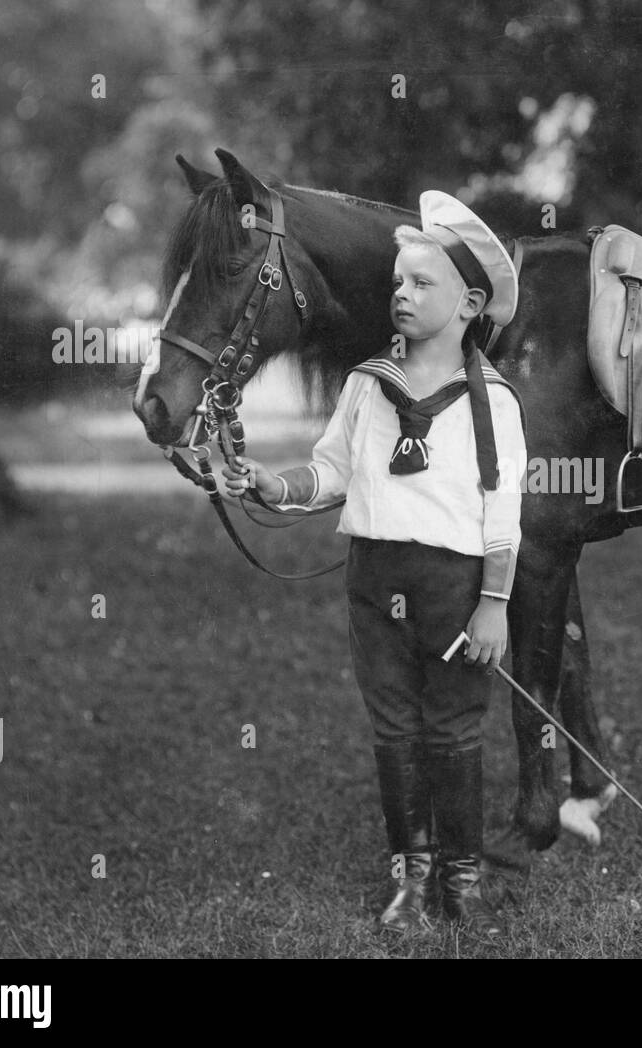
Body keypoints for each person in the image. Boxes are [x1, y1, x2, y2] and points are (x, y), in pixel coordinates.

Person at [222, 191, 526, 939]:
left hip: (457, 586)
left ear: (470, 303)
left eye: (423, 284)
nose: (402, 294)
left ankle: (462, 876)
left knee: (453, 730)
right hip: (375, 580)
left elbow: (503, 515)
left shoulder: (495, 405)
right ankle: (411, 877)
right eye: (397, 281)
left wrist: (494, 603)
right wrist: (275, 484)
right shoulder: (366, 385)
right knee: (394, 729)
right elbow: (331, 473)